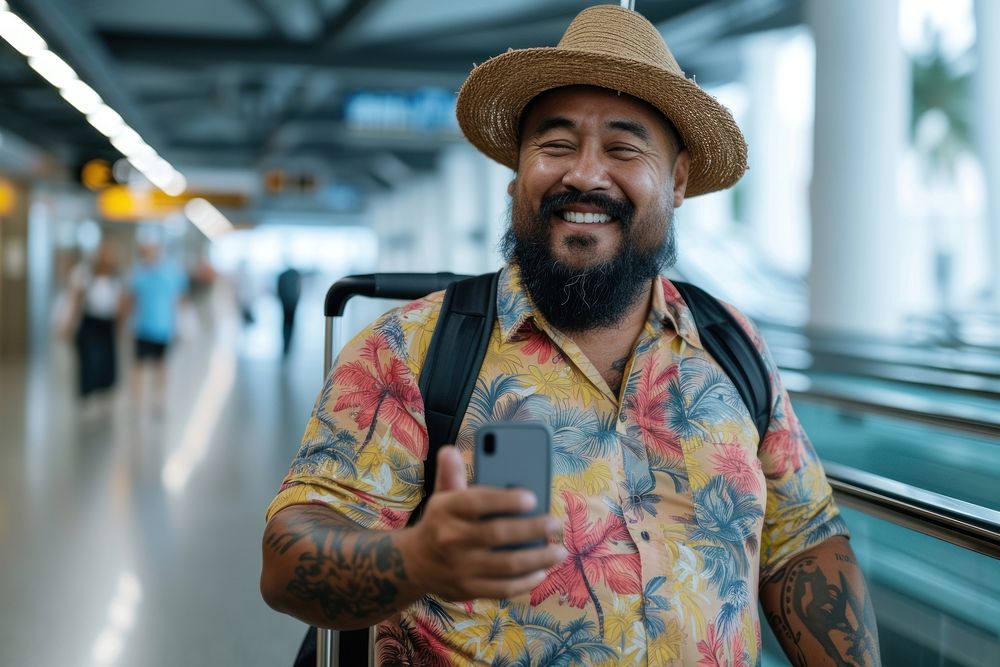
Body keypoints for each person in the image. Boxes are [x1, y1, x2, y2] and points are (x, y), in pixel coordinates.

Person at [260, 6, 881, 666]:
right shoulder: (411, 349)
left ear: (676, 180)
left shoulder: (731, 348)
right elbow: (288, 555)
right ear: (516, 176)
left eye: (623, 147)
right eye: (555, 145)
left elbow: (804, 541)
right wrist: (414, 559)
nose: (584, 174)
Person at [64, 239, 126, 403]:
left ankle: (103, 393)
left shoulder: (117, 278)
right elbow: (75, 301)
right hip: (89, 322)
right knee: (89, 359)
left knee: (106, 361)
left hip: (107, 324)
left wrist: (120, 324)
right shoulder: (85, 274)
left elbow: (122, 304)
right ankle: (87, 394)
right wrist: (69, 324)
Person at [127, 242, 189, 407]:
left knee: (160, 365)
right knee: (139, 365)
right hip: (142, 328)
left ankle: (159, 398)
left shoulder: (170, 273)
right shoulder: (138, 274)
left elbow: (178, 300)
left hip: (163, 328)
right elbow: (131, 300)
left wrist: (178, 325)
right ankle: (138, 401)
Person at [276, 265, 302, 357]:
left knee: (287, 324)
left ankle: (287, 346)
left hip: (288, 303)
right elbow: (298, 289)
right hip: (290, 303)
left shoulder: (284, 275)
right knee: (289, 324)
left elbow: (279, 290)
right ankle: (287, 346)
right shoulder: (295, 275)